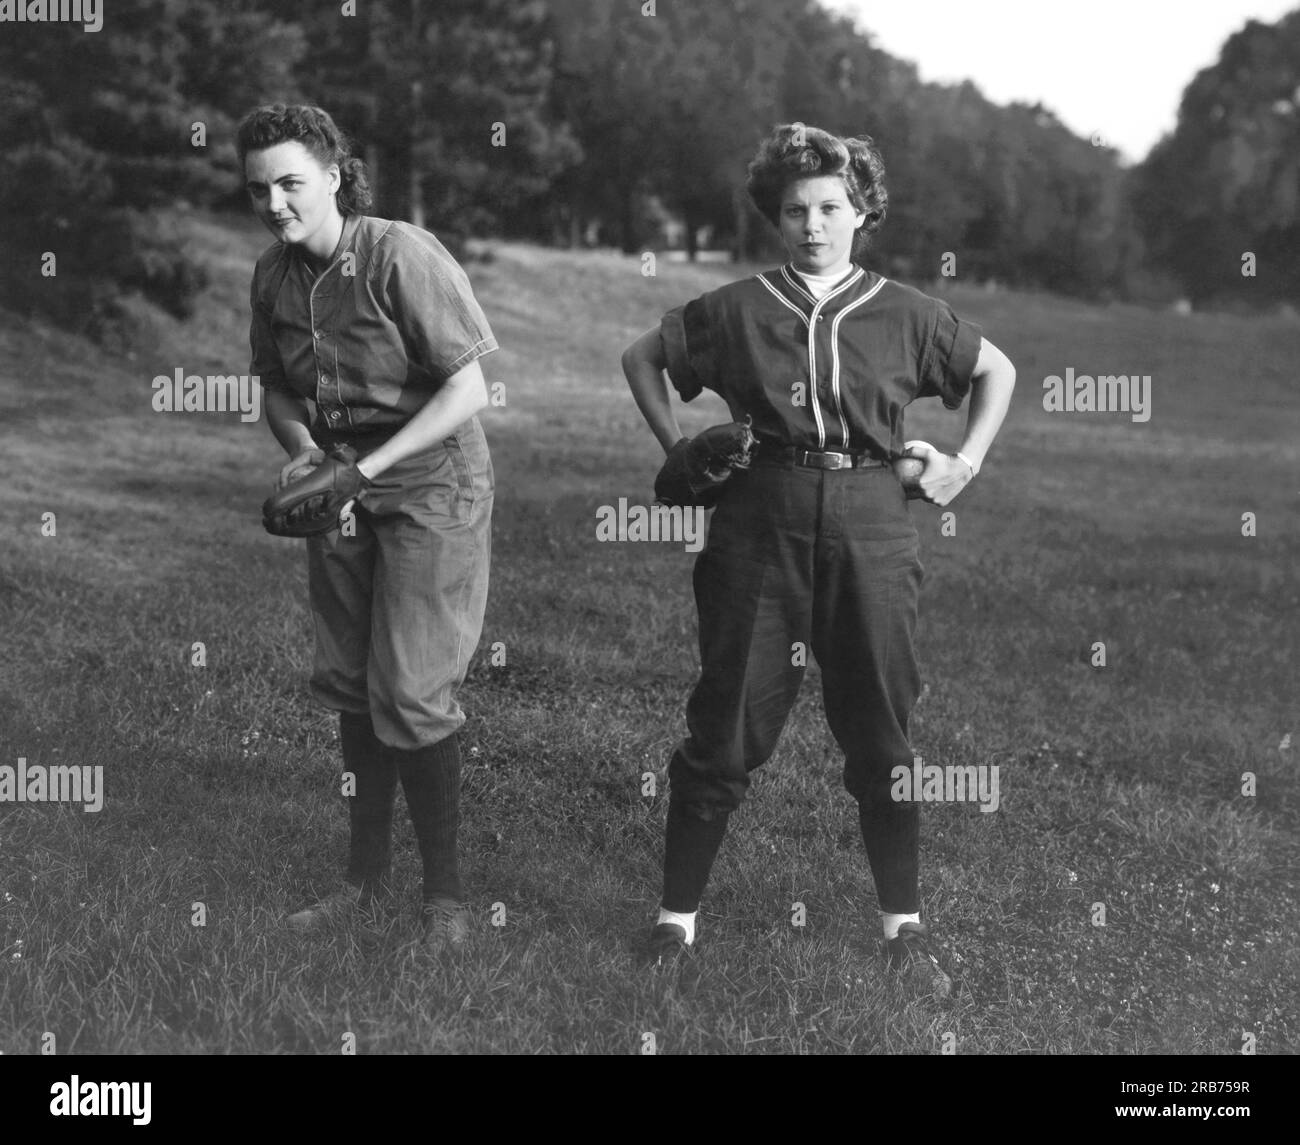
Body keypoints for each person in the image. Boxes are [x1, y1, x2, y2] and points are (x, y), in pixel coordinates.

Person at [621, 123, 1017, 996]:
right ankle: (674, 924)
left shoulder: (909, 312)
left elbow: (998, 370)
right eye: (795, 208)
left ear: (863, 209)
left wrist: (963, 462)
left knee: (882, 722)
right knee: (725, 720)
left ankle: (903, 930)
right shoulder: (734, 308)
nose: (812, 223)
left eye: (831, 205)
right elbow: (642, 357)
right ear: (774, 215)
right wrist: (678, 444)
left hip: (874, 517)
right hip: (758, 516)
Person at [239, 104, 497, 949]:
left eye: (290, 182)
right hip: (342, 474)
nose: (275, 203)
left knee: (414, 688)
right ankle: (363, 880)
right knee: (351, 679)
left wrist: (365, 471)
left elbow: (466, 389)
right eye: (259, 188)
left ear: (335, 176)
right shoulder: (272, 277)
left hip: (429, 476)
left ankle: (446, 901)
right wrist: (307, 450)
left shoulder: (398, 253)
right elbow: (277, 386)